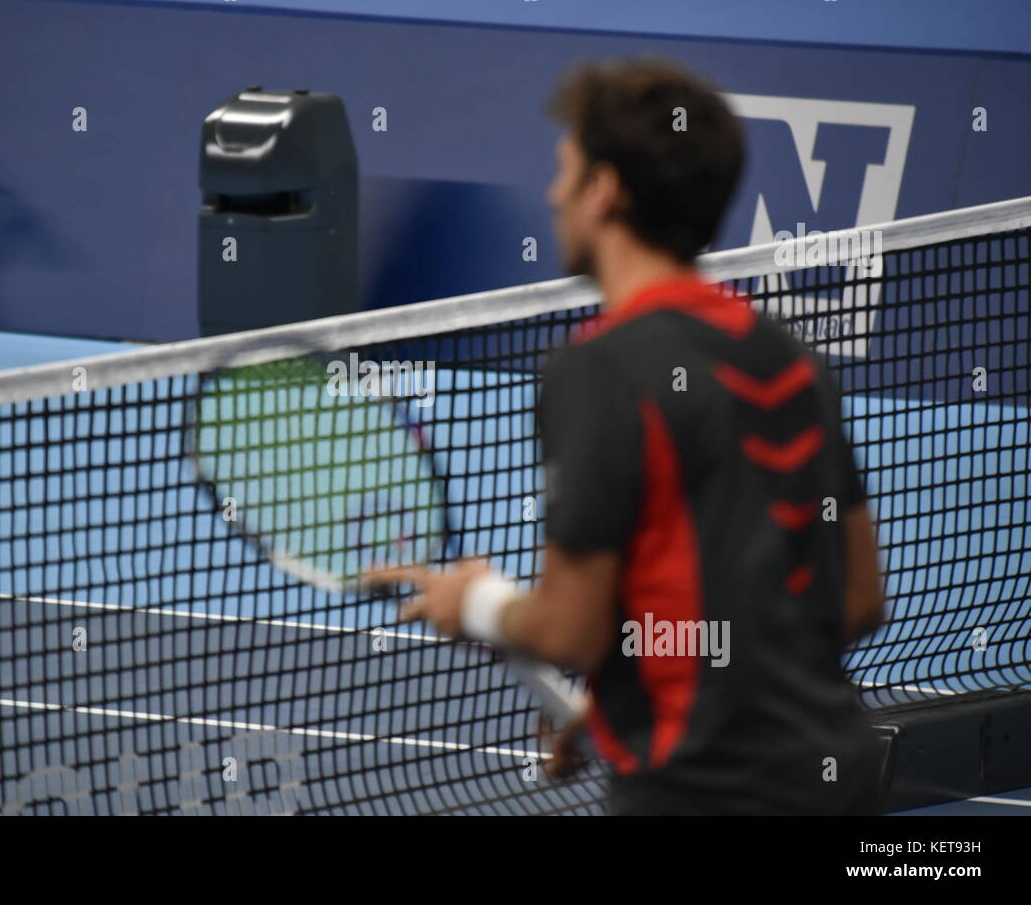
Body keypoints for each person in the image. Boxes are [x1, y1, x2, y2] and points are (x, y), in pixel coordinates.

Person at [367, 59, 887, 815]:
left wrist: (475, 602)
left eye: (566, 171)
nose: (552, 195)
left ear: (604, 191)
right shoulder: (789, 357)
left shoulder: (598, 369)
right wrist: (631, 702)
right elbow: (857, 599)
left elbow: (571, 629)